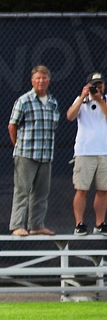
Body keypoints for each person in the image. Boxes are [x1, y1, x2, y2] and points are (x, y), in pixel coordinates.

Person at [8, 65, 60, 236]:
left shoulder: (53, 102)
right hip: (26, 154)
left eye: (44, 78)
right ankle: (17, 226)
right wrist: (18, 145)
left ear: (49, 81)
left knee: (41, 193)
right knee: (22, 190)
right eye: (38, 78)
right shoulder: (24, 100)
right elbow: (12, 125)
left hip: (45, 155)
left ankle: (36, 225)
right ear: (32, 81)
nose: (41, 81)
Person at [68, 71, 107, 236]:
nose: (97, 88)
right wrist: (84, 96)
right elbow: (70, 116)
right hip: (85, 151)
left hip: (104, 151)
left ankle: (99, 223)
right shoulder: (81, 101)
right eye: (94, 86)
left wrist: (99, 100)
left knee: (103, 189)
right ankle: (79, 223)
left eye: (100, 85)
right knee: (81, 189)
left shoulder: (105, 100)